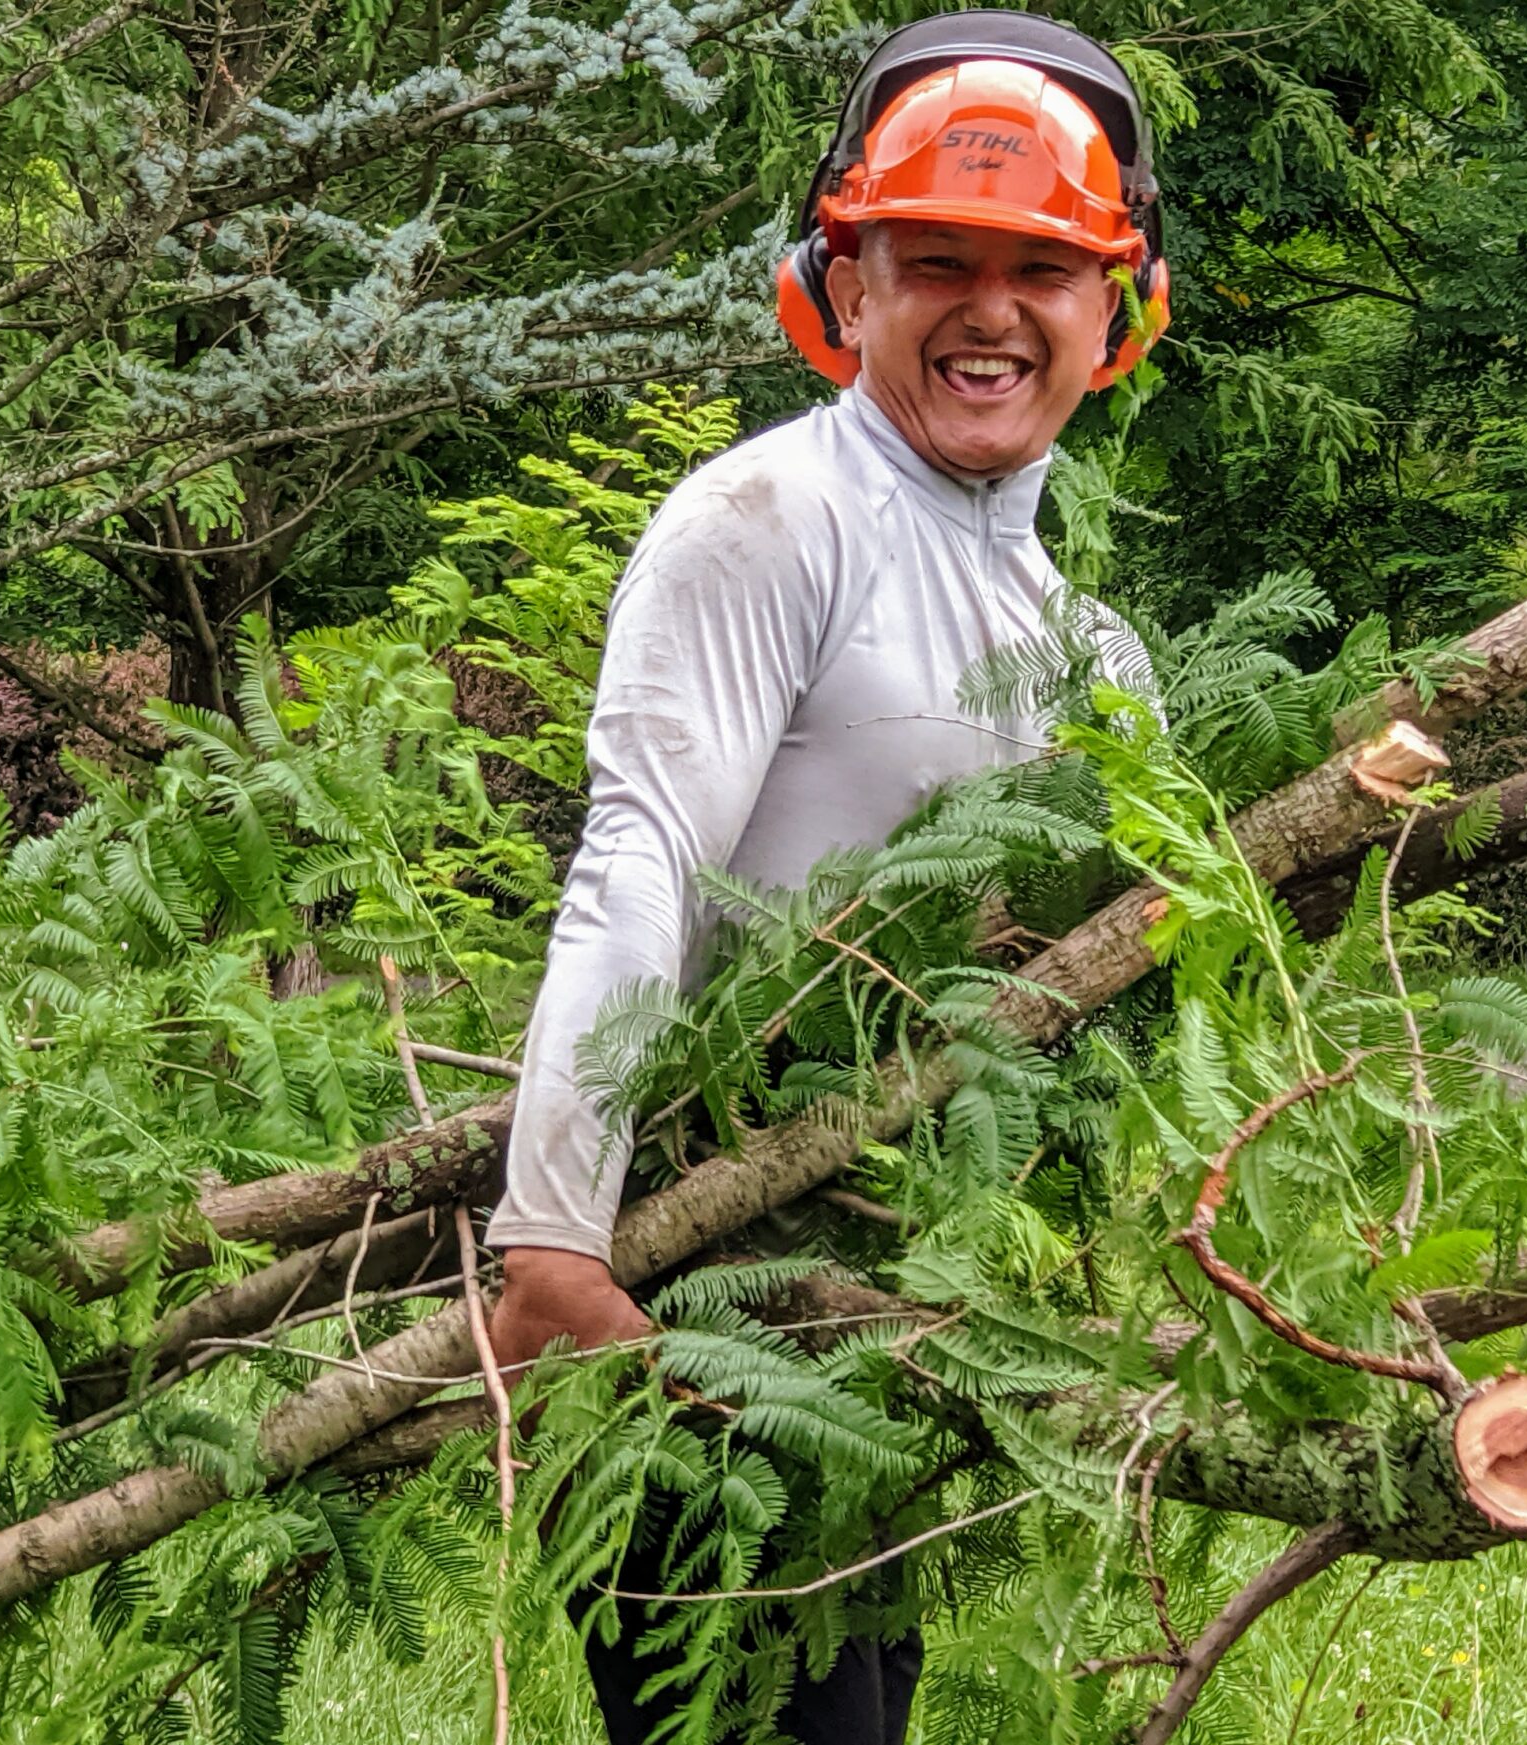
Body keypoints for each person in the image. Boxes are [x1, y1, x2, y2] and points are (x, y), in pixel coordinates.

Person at [483, 14, 1172, 1740]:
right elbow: (639, 864)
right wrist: (557, 1234)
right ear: (841, 287)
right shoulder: (771, 522)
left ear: (1121, 311)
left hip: (888, 1305)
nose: (990, 309)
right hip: (691, 1276)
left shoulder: (1096, 651)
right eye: (933, 260)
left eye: (1042, 267)